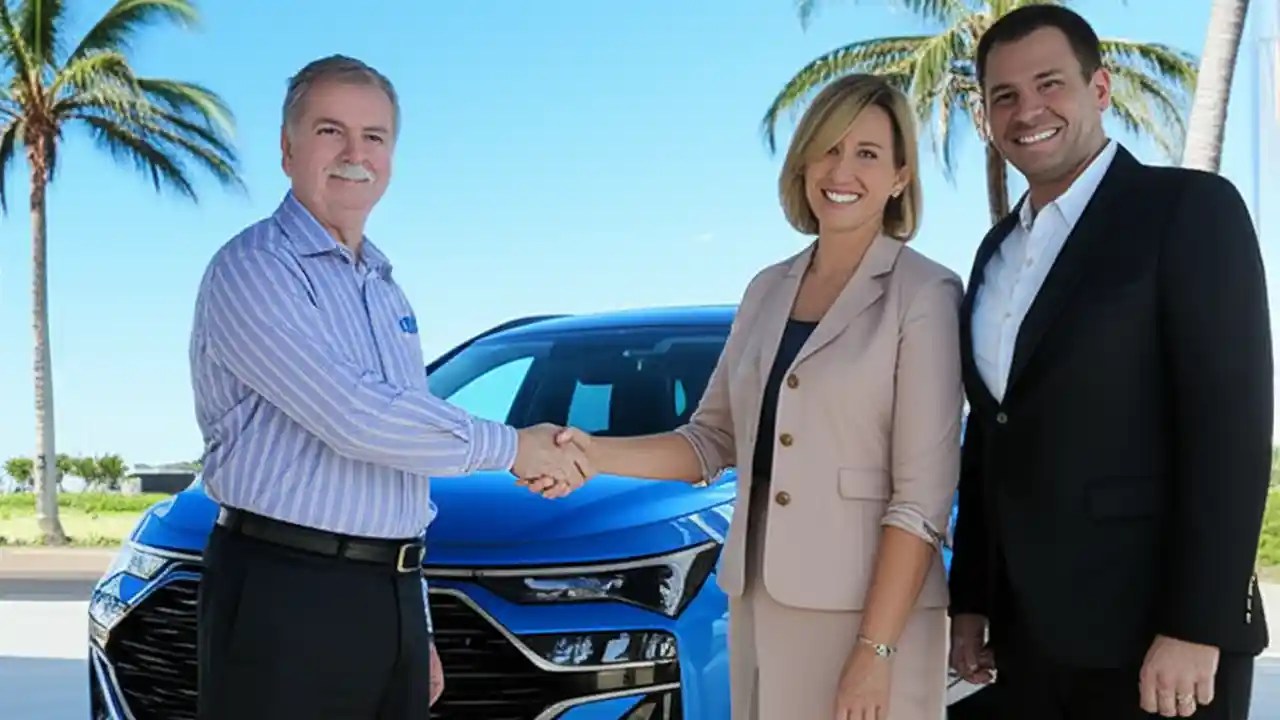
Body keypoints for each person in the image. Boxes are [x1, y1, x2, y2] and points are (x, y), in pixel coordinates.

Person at [530, 74, 964, 719]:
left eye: (867, 153)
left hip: (869, 618)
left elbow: (922, 499)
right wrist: (592, 453)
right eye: (828, 148)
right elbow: (710, 441)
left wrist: (874, 652)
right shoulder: (766, 289)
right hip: (756, 601)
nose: (842, 170)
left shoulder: (925, 293)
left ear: (901, 176)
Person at [188, 55, 589, 720]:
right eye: (330, 131)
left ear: (392, 156)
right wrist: (517, 447)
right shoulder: (254, 269)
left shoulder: (383, 287)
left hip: (387, 593)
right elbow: (358, 418)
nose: (355, 153)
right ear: (288, 149)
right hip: (285, 593)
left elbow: (400, 461)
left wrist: (413, 616)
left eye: (374, 136)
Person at [946, 6, 1273, 720]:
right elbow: (990, 439)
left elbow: (1231, 428)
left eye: (1049, 84)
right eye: (1004, 96)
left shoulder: (1188, 209)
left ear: (1099, 89)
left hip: (1160, 643)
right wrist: (970, 598)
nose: (1027, 110)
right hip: (1030, 642)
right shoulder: (993, 254)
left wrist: (1197, 623)